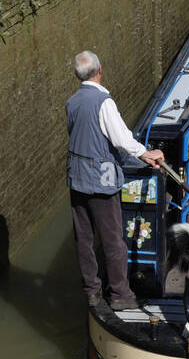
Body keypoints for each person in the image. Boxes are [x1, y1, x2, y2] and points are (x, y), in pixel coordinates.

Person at [66, 50, 164, 309]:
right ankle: (121, 295)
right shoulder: (103, 102)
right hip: (101, 181)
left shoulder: (72, 101)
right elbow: (120, 139)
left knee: (84, 239)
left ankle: (92, 292)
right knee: (113, 240)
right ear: (100, 70)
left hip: (76, 179)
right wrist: (146, 153)